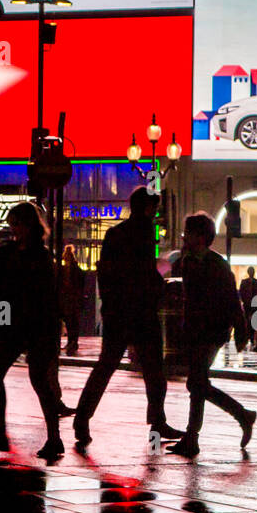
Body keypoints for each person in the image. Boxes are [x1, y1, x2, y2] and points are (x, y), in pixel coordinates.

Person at [72, 186, 183, 447]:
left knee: (105, 367)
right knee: (154, 370)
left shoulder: (115, 233)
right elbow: (144, 273)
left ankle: (82, 418)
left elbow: (108, 273)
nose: (156, 213)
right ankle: (157, 422)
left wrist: (109, 305)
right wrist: (161, 282)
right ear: (147, 208)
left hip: (117, 312)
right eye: (154, 208)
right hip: (140, 311)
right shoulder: (144, 232)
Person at [0, 202, 64, 461]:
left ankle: (54, 437)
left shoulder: (40, 256)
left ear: (30, 226)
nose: (15, 230)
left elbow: (42, 295)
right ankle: (1, 431)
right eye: (12, 224)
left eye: (18, 224)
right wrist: (0, 323)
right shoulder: (12, 252)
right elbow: (2, 290)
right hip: (16, 324)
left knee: (40, 381)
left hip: (37, 325)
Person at [167, 212, 255, 458]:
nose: (186, 236)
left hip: (213, 330)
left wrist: (240, 330)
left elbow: (231, 299)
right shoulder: (188, 262)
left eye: (190, 232)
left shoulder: (216, 263)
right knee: (198, 383)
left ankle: (235, 418)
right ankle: (197, 435)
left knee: (196, 383)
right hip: (196, 330)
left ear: (202, 236)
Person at [59, 245, 86, 355]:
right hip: (72, 299)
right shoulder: (76, 270)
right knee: (72, 321)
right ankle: (72, 342)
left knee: (70, 321)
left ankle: (72, 342)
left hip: (69, 299)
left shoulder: (65, 270)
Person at [239, 266, 257, 337]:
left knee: (254, 320)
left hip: (255, 304)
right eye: (250, 271)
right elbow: (241, 292)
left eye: (252, 271)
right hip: (247, 303)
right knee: (247, 319)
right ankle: (248, 335)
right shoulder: (244, 282)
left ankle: (252, 336)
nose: (251, 272)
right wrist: (244, 300)